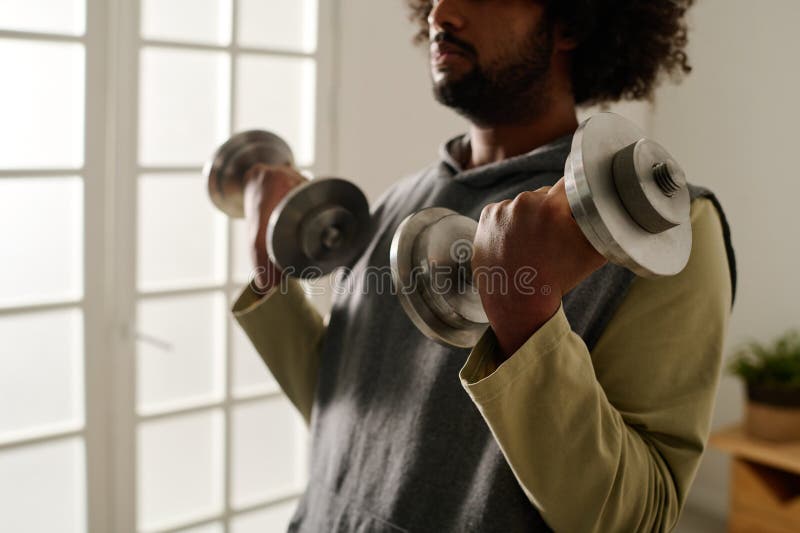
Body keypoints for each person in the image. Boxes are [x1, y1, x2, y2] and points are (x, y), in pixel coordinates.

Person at [232, 0, 736, 531]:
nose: (441, 14)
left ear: (567, 22)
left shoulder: (661, 232)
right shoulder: (398, 201)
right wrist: (270, 268)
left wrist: (527, 319)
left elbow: (639, 516)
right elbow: (345, 415)